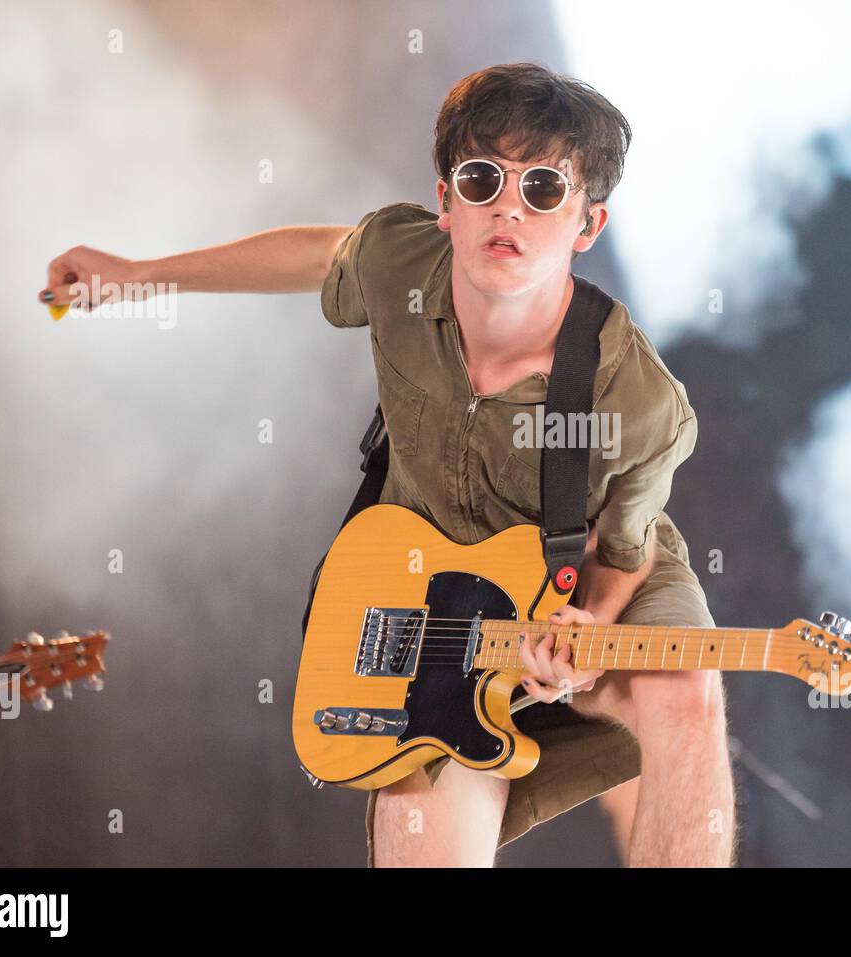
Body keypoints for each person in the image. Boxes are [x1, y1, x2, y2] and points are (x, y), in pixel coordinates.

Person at [39, 61, 735, 868]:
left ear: (588, 225)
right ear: (445, 202)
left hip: (590, 582)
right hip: (431, 609)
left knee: (685, 686)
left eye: (544, 189)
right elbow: (323, 255)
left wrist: (588, 626)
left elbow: (627, 548)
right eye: (482, 179)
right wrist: (135, 276)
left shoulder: (641, 397)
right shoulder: (400, 263)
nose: (508, 204)